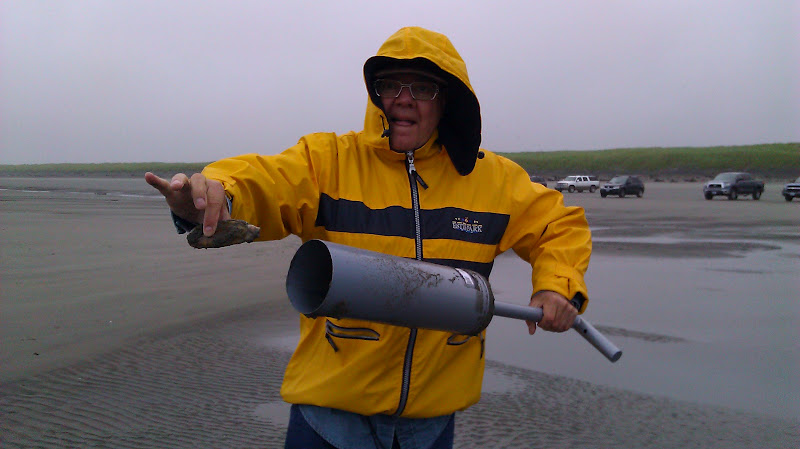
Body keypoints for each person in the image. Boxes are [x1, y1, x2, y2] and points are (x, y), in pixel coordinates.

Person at [145, 26, 591, 449]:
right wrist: (212, 195)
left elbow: (558, 223)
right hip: (330, 420)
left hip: (432, 426)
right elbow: (261, 180)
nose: (403, 100)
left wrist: (557, 284)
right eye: (391, 86)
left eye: (421, 88)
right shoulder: (328, 162)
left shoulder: (493, 179)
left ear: (446, 100)